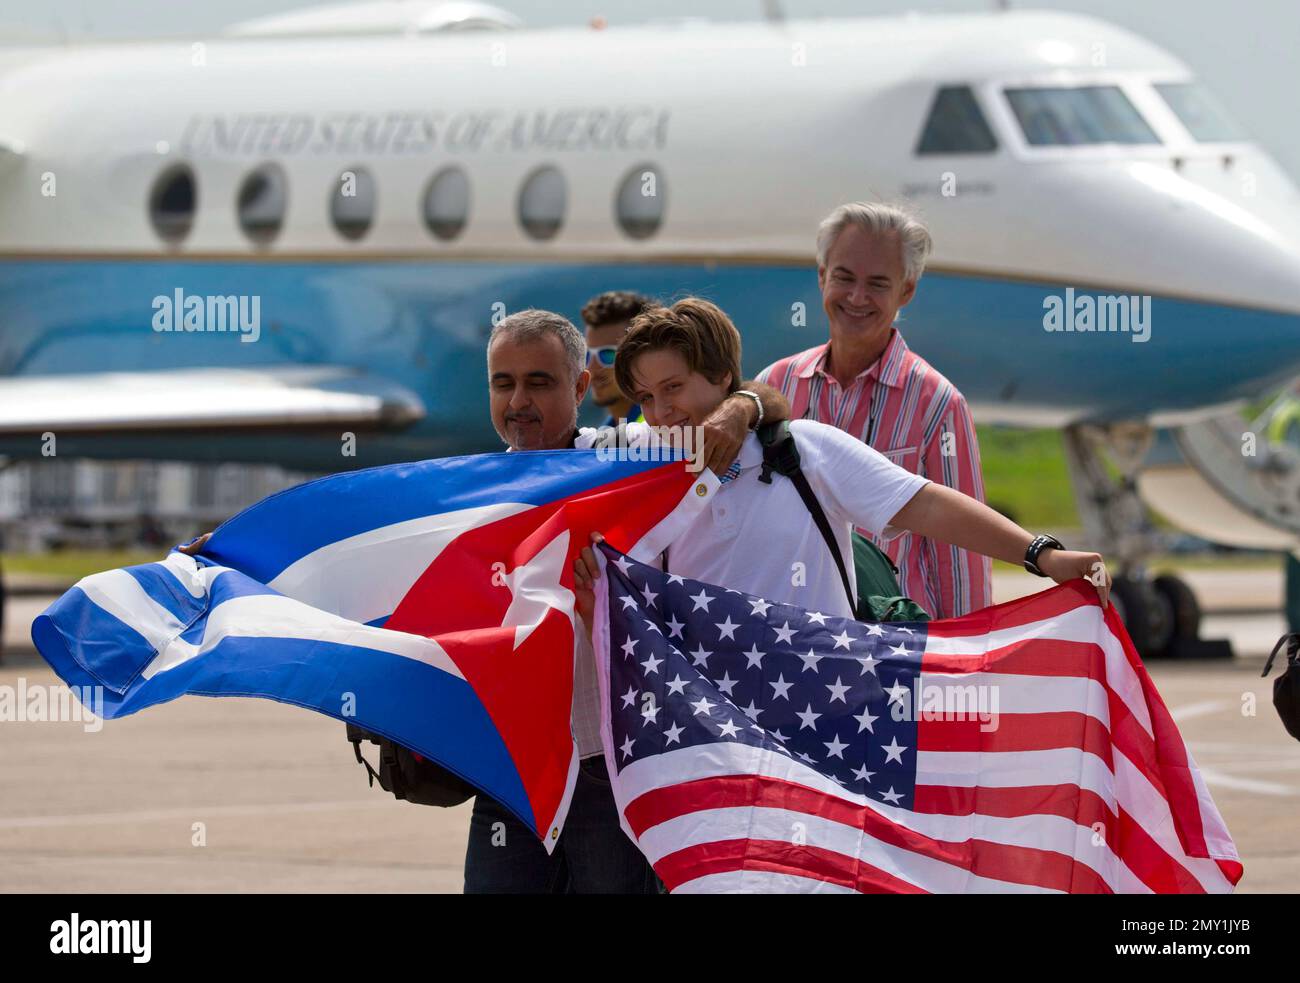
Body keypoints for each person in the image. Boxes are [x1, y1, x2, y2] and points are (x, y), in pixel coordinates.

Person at [573, 298, 1110, 639]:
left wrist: (1042, 554)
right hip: (706, 726)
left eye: (674, 388)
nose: (662, 411)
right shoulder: (632, 461)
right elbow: (548, 462)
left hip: (820, 712)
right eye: (646, 396)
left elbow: (926, 505)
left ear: (721, 379)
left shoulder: (804, 451)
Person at [756, 202, 991, 619]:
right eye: (843, 277)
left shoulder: (937, 404)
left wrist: (962, 668)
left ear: (907, 290)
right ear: (822, 276)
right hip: (792, 649)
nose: (857, 297)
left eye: (878, 284)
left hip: (892, 649)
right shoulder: (775, 385)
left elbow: (961, 559)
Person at [580, 290, 653, 427]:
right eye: (587, 355)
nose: (591, 368)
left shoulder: (664, 430)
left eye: (608, 354)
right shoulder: (606, 433)